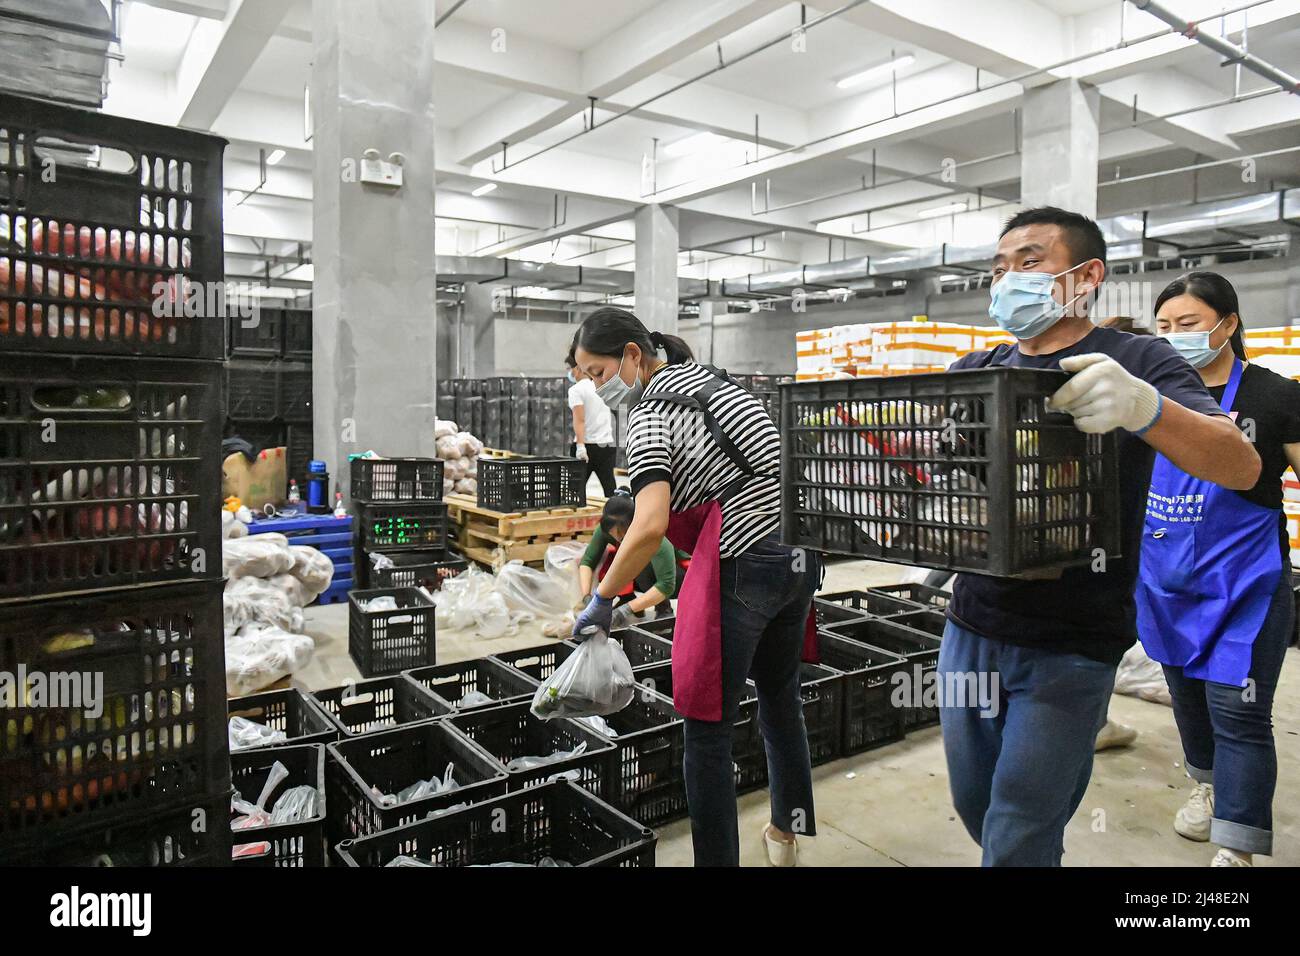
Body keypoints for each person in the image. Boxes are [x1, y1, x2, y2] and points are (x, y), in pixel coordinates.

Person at [938, 207, 1261, 867]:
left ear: (1085, 276)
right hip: (970, 626)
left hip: (1072, 640)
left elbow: (1240, 462)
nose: (1008, 280)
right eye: (999, 268)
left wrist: (1143, 406)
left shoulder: (1138, 360)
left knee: (1020, 833)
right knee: (979, 808)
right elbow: (949, 480)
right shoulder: (979, 365)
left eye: (1029, 262)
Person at [570, 307, 821, 867]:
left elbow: (651, 521)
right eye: (584, 377)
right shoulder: (718, 382)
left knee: (707, 728)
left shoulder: (651, 412)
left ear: (633, 355)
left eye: (598, 373)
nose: (593, 387)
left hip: (743, 565)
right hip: (799, 560)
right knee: (780, 701)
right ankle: (786, 835)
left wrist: (604, 596)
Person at [1137, 271, 1300, 867]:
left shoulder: (1274, 395)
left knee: (1240, 711)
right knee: (1188, 701)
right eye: (1164, 327)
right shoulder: (1149, 394)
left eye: (1189, 325)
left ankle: (1238, 845)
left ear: (1228, 324)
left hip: (1244, 584)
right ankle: (1209, 787)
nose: (1174, 337)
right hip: (1166, 581)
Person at [579, 490, 688, 629]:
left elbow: (666, 584)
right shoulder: (607, 529)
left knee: (639, 560)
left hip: (683, 577)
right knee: (610, 563)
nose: (617, 536)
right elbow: (587, 562)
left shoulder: (651, 531)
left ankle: (663, 607)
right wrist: (588, 599)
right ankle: (628, 598)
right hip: (651, 575)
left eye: (621, 532)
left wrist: (625, 610)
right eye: (613, 533)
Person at [565, 351, 617, 496]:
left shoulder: (576, 390)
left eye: (570, 369)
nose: (570, 373)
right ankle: (619, 515)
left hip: (587, 447)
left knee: (574, 492)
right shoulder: (602, 386)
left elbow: (579, 419)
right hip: (606, 445)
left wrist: (580, 447)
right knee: (610, 489)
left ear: (578, 368)